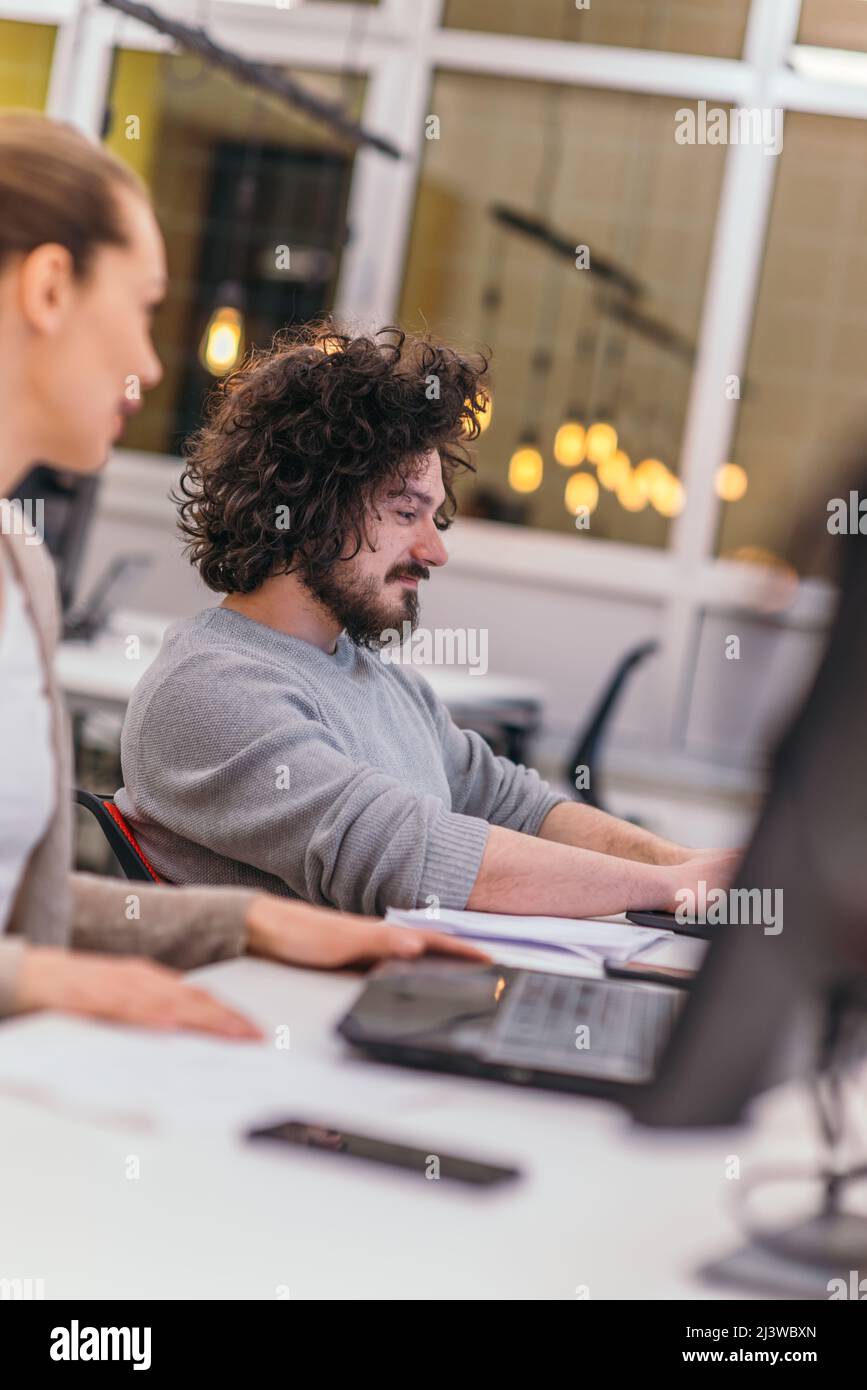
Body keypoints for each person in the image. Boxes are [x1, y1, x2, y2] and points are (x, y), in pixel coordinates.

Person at [0, 111, 483, 1038]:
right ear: (52, 287)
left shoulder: (20, 565)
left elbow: (30, 914)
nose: (149, 362)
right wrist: (44, 986)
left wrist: (249, 921)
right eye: (141, 308)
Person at [117, 324, 737, 917]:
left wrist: (684, 862)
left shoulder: (384, 684)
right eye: (405, 512)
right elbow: (413, 861)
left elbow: (515, 807)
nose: (435, 550)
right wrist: (665, 887)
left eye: (434, 518)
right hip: (283, 1019)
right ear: (308, 510)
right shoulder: (209, 691)